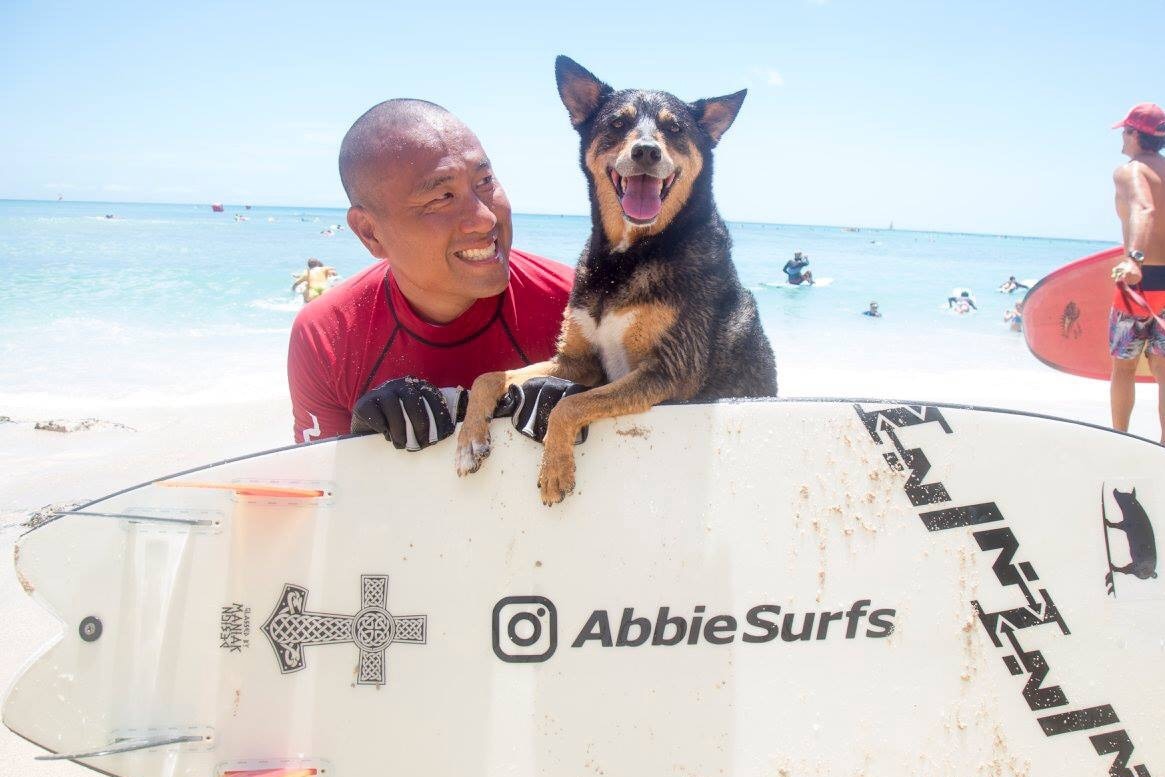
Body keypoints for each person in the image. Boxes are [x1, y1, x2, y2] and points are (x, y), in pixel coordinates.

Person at [287, 99, 575, 446]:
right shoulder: (328, 336)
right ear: (370, 232)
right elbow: (322, 494)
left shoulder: (580, 305)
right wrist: (357, 447)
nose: (486, 218)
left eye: (485, 180)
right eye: (442, 196)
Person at [1108, 102, 1165, 441]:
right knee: (1162, 368)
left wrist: (1134, 259)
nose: (1122, 138)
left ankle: (1119, 439)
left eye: (1125, 132)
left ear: (1135, 134)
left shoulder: (1130, 171)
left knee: (1124, 366)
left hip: (1141, 284)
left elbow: (1144, 208)